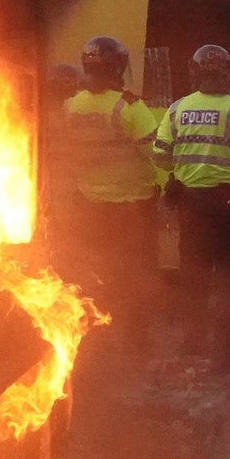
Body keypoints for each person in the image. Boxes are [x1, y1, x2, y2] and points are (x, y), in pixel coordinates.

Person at [154, 44, 230, 371]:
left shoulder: (177, 109)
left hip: (191, 205)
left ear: (194, 73)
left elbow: (159, 153)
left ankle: (192, 344)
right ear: (227, 74)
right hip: (227, 205)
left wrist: (180, 173)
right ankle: (227, 354)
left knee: (194, 278)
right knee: (229, 281)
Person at [52, 36, 159, 351]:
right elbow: (157, 152)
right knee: (137, 276)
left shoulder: (71, 106)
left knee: (98, 273)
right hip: (133, 208)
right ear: (118, 67)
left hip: (90, 207)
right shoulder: (128, 106)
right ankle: (136, 343)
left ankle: (97, 339)